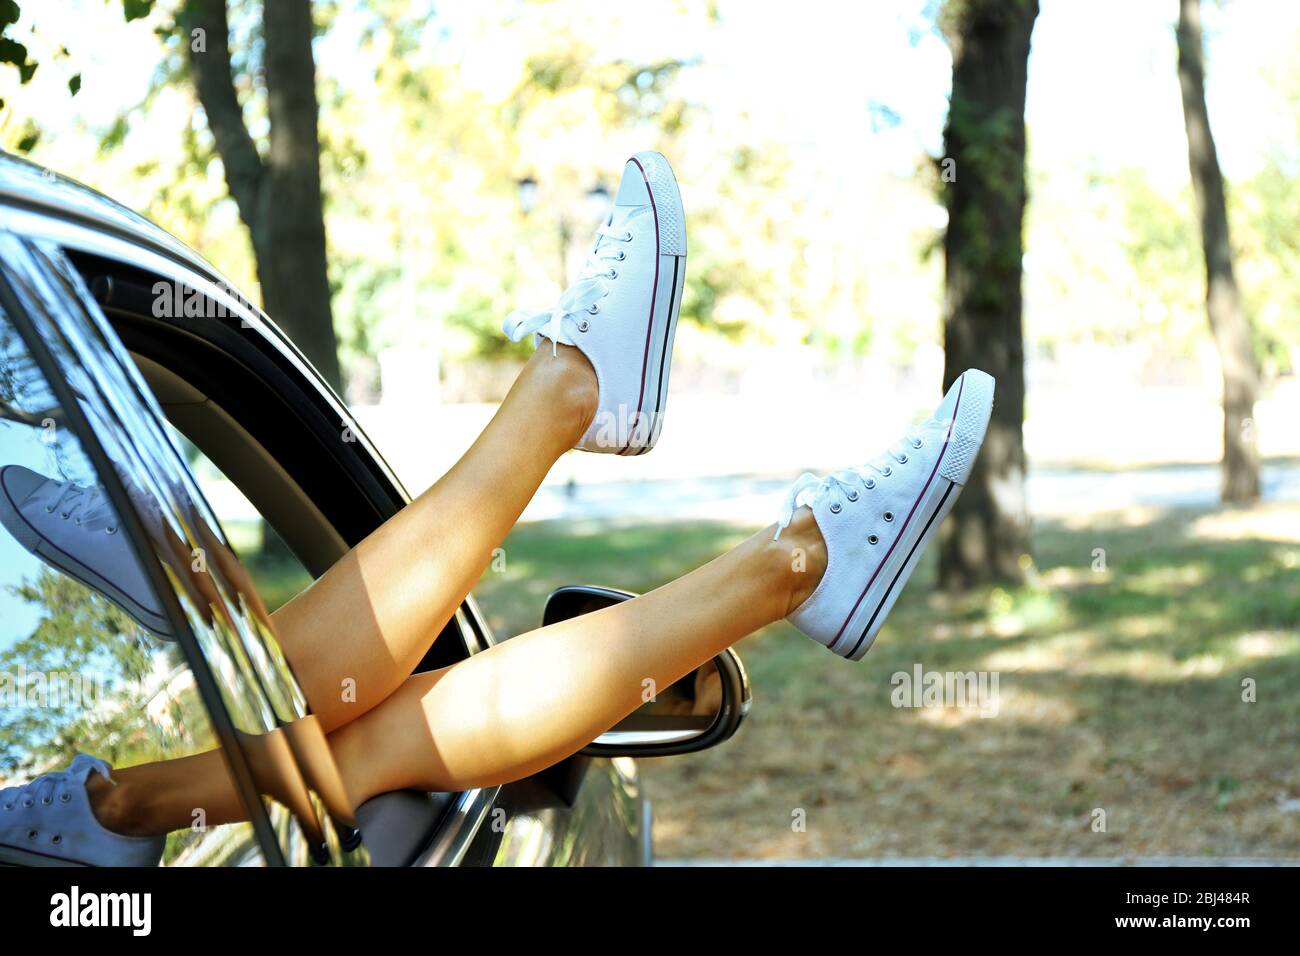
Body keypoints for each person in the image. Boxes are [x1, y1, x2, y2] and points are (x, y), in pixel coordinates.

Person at [0, 152, 993, 866]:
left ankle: (785, 556)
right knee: (285, 701)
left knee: (308, 726)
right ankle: (618, 432)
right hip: (79, 813)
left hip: (76, 807)